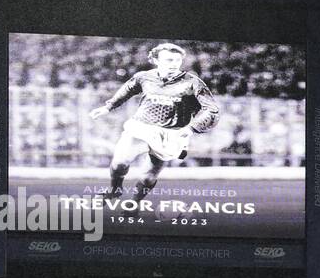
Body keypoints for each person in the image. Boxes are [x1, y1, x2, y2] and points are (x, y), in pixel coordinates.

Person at [87, 42, 220, 202]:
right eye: (168, 60)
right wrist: (108, 107)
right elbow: (127, 90)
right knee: (119, 162)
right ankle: (114, 190)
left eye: (177, 61)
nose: (173, 64)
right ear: (156, 60)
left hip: (172, 133)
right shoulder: (144, 77)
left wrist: (191, 128)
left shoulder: (192, 82)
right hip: (141, 127)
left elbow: (211, 109)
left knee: (148, 177)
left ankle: (134, 203)